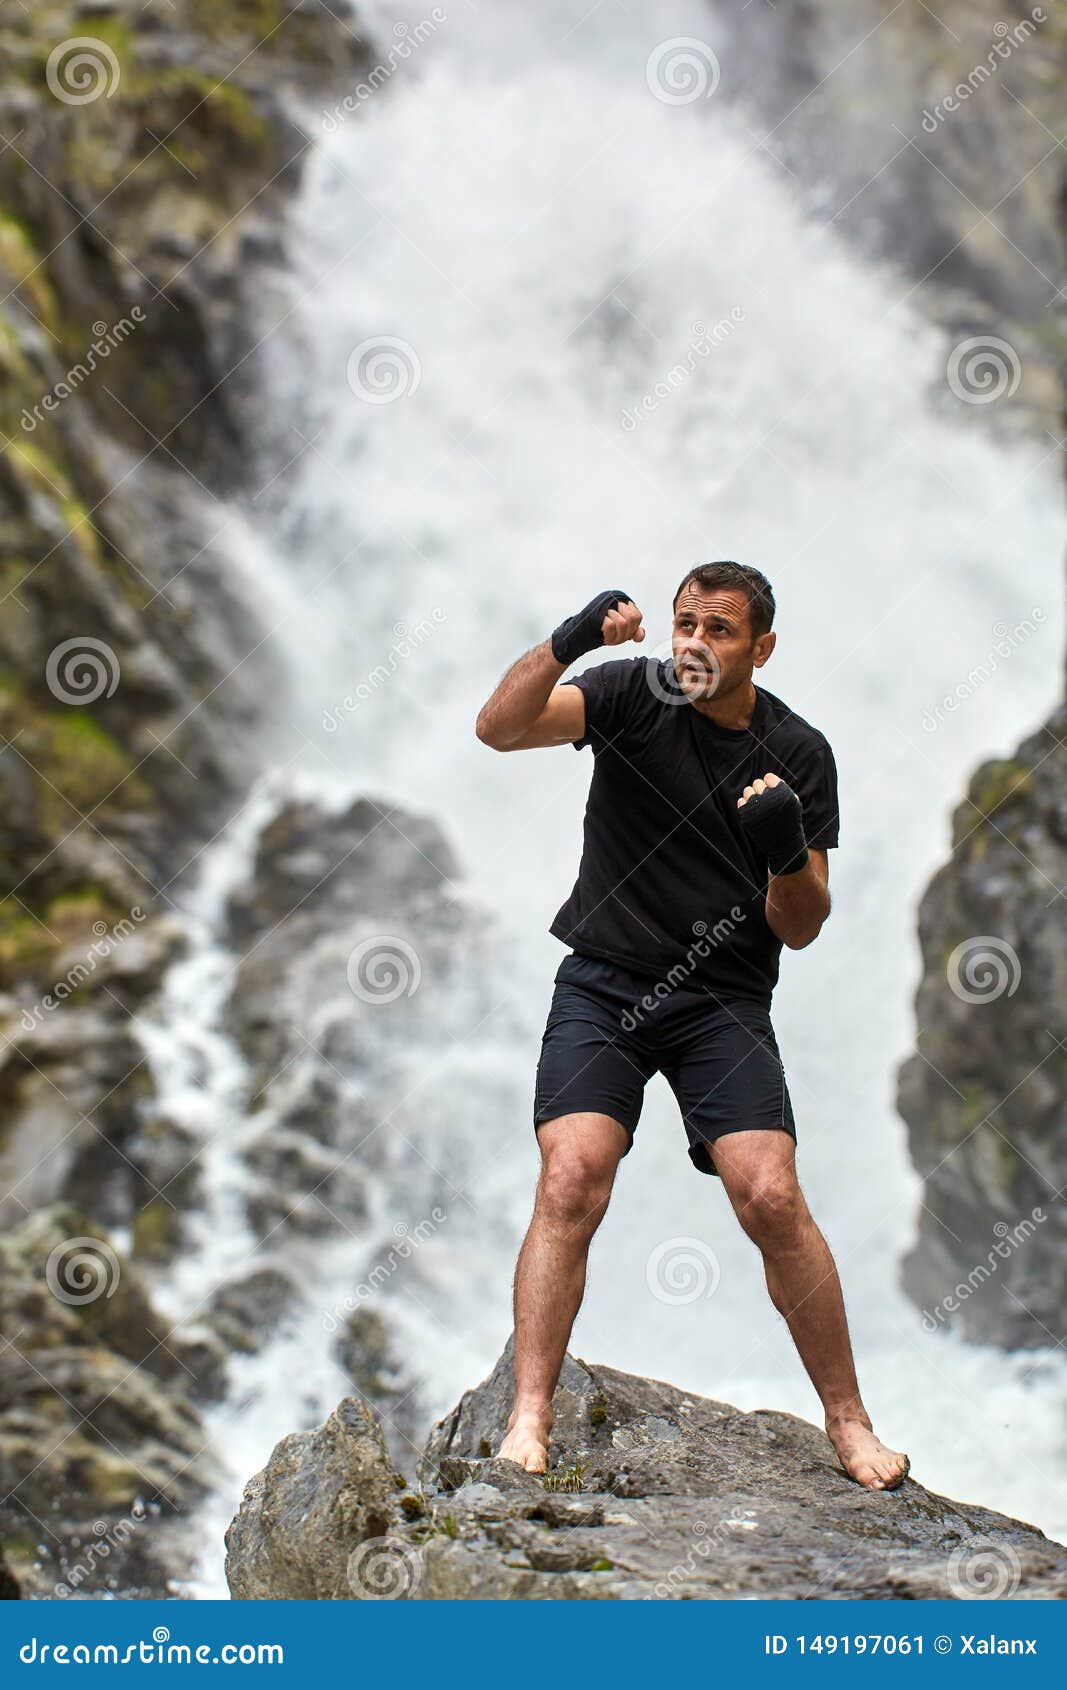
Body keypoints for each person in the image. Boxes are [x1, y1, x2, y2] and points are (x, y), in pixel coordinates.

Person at [474, 561, 909, 1491]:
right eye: (684, 624)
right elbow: (498, 729)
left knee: (770, 1196)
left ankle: (849, 1421)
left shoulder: (798, 752)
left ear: (761, 648)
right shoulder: (630, 693)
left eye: (718, 630)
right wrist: (570, 641)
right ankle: (528, 1418)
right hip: (604, 984)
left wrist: (784, 849)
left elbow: (801, 925)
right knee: (570, 1177)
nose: (694, 645)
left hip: (721, 1001)